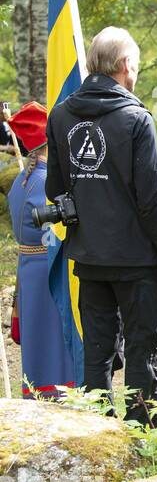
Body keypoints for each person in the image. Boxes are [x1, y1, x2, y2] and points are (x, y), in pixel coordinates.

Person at [45, 27, 157, 427]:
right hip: (135, 261)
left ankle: (97, 435)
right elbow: (153, 201)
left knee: (97, 350)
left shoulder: (60, 115)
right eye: (136, 66)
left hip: (88, 256)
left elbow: (55, 190)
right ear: (126, 66)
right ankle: (141, 437)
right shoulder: (136, 119)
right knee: (143, 349)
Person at [5, 102, 78, 398]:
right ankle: (59, 391)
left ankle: (37, 390)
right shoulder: (46, 183)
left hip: (27, 267)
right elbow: (55, 232)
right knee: (53, 339)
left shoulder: (19, 183)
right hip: (48, 268)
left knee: (38, 340)